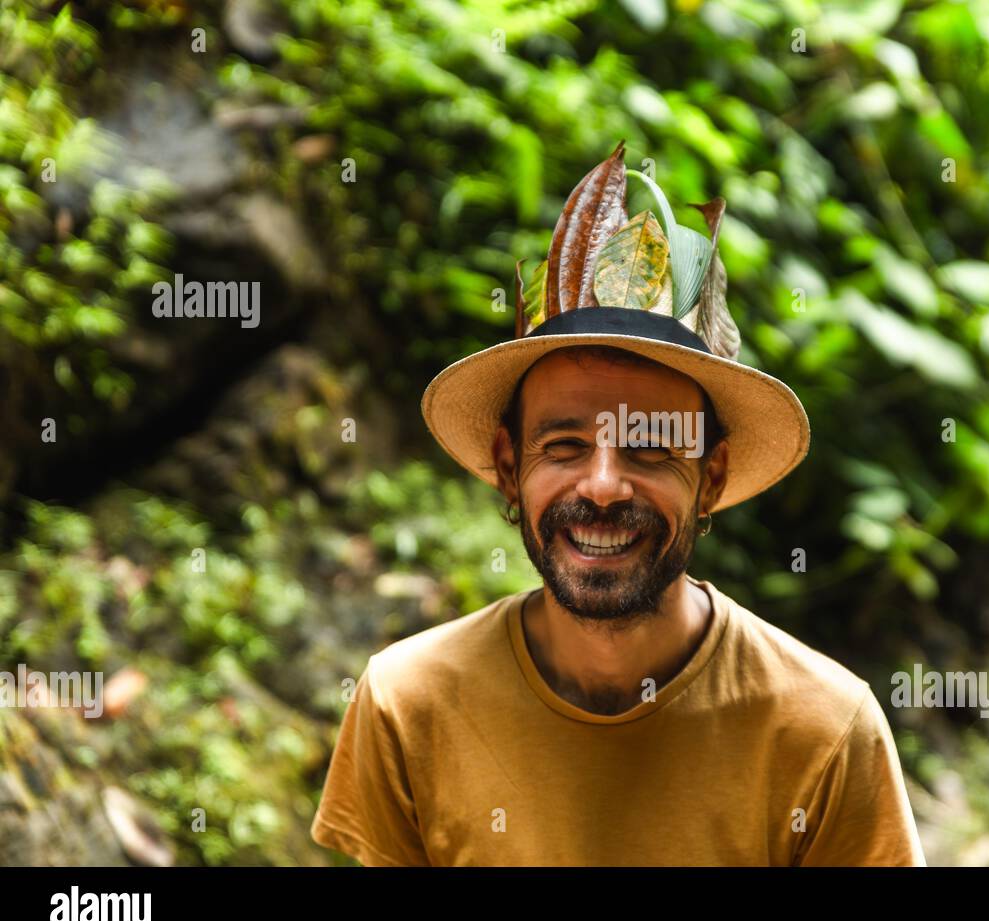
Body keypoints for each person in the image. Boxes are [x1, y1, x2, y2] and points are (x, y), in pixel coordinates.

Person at [310, 142, 926, 866]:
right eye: (565, 445)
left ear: (713, 477)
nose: (603, 486)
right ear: (510, 469)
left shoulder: (823, 730)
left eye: (649, 447)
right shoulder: (406, 705)